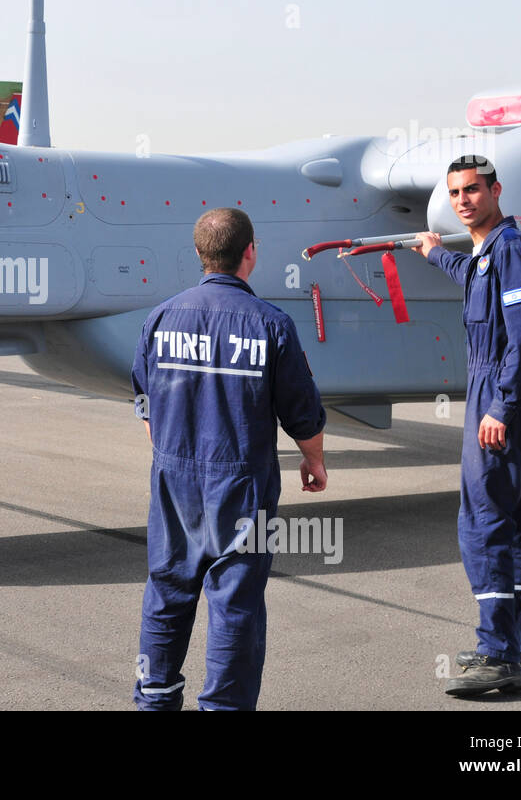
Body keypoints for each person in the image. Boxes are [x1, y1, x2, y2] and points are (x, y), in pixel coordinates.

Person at [131, 207, 327, 711]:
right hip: (241, 483)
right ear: (250, 252)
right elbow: (301, 412)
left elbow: (146, 402)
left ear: (199, 255)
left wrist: (173, 452)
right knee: (235, 602)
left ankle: (153, 698)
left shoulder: (161, 318)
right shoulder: (271, 325)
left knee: (168, 591)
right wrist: (314, 461)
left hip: (174, 477)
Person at [413, 155, 521, 697]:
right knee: (515, 523)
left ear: (496, 190)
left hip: (500, 403)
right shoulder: (487, 255)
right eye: (455, 194)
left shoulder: (512, 252)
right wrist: (433, 253)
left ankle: (496, 653)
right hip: (496, 397)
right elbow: (472, 277)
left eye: (473, 190)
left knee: (484, 521)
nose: (463, 201)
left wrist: (501, 407)